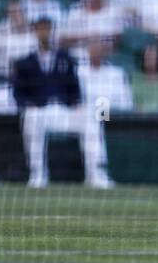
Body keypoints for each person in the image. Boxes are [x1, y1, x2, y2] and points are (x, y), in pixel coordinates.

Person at [13, 16, 113, 189]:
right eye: (41, 28)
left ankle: (96, 174)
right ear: (35, 32)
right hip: (39, 111)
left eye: (47, 28)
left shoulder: (66, 58)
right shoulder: (24, 63)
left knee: (93, 117)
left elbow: (74, 88)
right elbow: (19, 93)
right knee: (30, 117)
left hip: (63, 111)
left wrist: (76, 103)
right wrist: (28, 104)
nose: (44, 32)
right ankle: (37, 174)